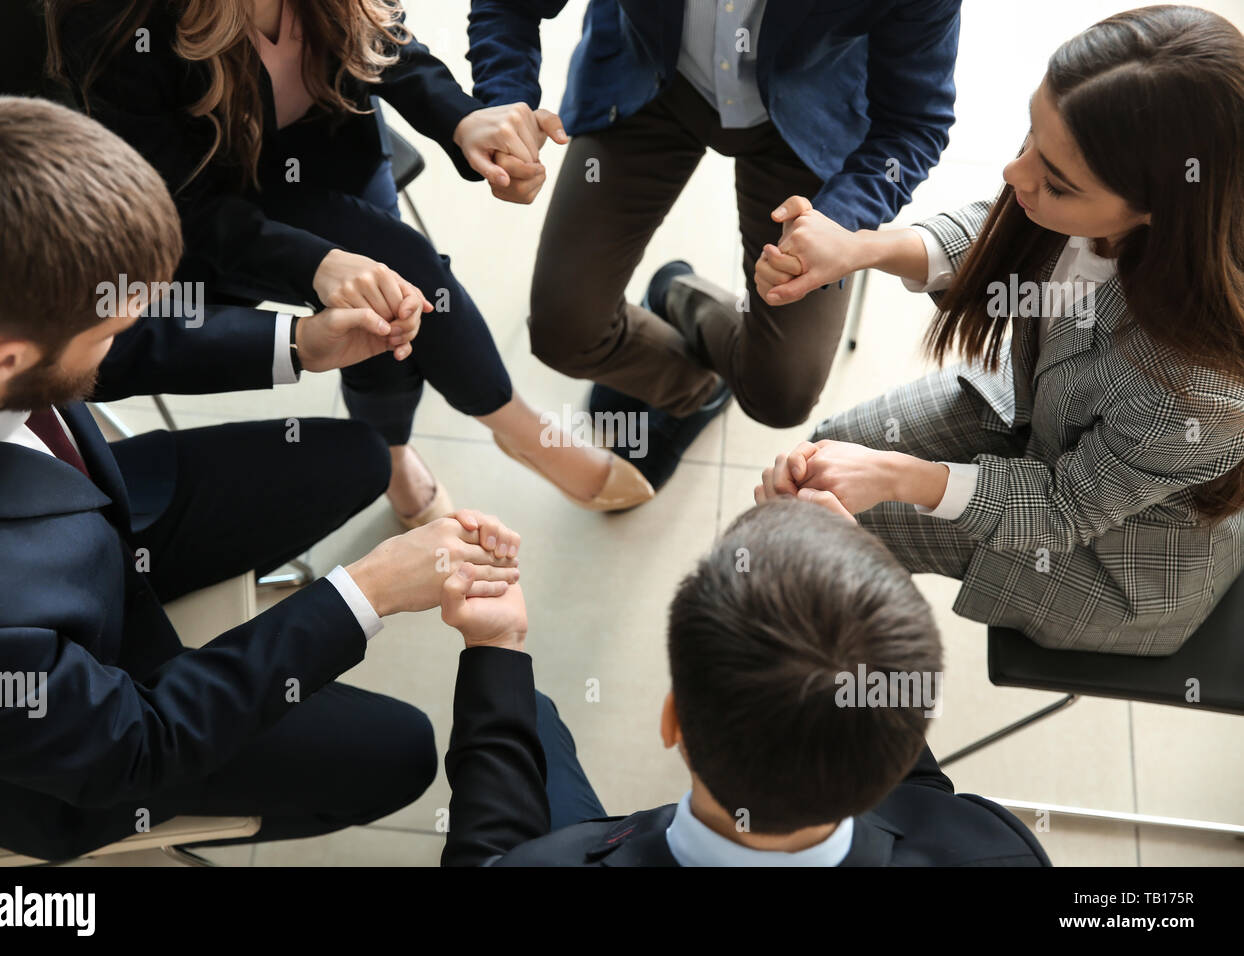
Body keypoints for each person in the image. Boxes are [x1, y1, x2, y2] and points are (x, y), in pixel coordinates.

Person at [0, 95, 524, 860]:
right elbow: (137, 744)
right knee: (403, 750)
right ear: (9, 361)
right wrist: (367, 593)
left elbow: (108, 339)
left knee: (350, 456)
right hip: (90, 726)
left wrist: (300, 344)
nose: (126, 332)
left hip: (89, 518)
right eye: (109, 330)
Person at [46, 0, 654, 521]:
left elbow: (381, 40)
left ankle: (393, 454)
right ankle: (518, 430)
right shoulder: (120, 20)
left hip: (330, 149)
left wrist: (462, 118)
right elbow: (174, 204)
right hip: (207, 211)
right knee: (395, 266)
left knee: (385, 292)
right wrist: (315, 262)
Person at [758, 5, 1244, 656]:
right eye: (1030, 139)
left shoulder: (1202, 391)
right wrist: (863, 248)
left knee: (808, 527)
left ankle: (796, 699)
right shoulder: (1107, 194)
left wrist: (902, 476)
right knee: (820, 460)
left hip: (1106, 556)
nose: (1015, 177)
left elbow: (1064, 509)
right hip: (1038, 411)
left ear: (1162, 208)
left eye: (1058, 181)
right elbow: (1004, 226)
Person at [465, 0, 962, 489]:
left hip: (812, 115)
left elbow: (914, 121)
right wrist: (505, 99)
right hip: (645, 80)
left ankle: (679, 296)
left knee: (781, 395)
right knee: (564, 334)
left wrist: (838, 221)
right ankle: (698, 389)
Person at [435, 497, 1050, 867]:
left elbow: (487, 854)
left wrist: (497, 646)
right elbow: (920, 798)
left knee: (530, 719)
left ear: (671, 719)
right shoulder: (993, 849)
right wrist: (848, 574)